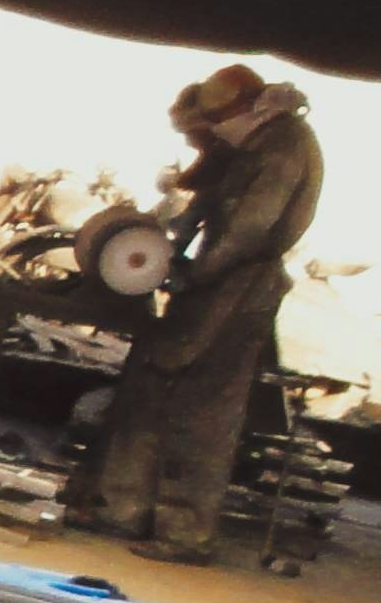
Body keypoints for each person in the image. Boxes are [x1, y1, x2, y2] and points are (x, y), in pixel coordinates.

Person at [82, 63, 323, 563]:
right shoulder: (250, 143)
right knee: (150, 386)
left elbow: (250, 230)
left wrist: (195, 272)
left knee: (204, 410)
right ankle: (122, 509)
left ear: (245, 110)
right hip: (213, 281)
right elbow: (206, 201)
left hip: (243, 285)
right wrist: (172, 241)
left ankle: (186, 534)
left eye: (216, 125)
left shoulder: (283, 148)